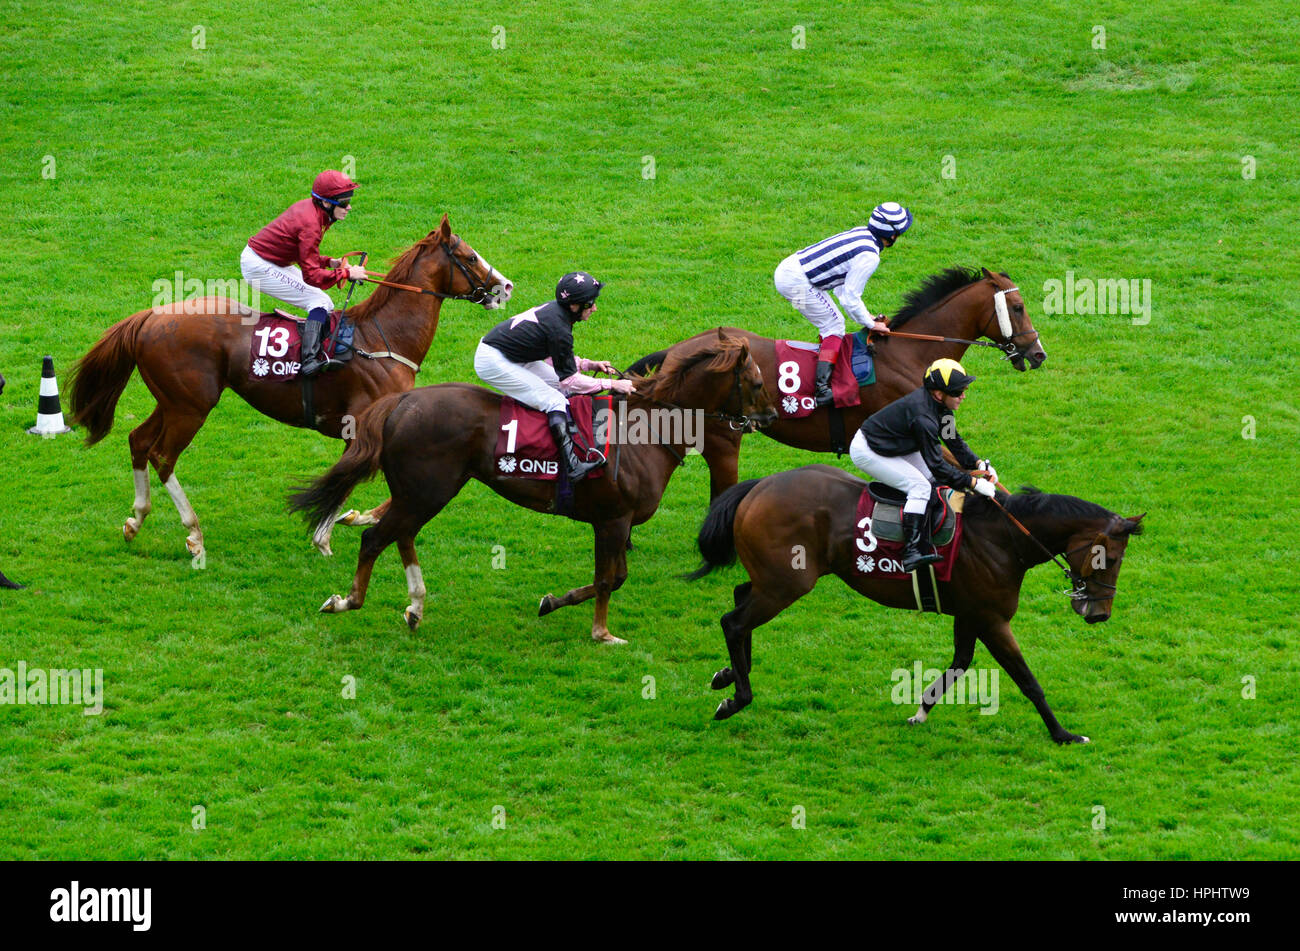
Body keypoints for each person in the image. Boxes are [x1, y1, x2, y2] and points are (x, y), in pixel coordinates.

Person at [474, 272, 635, 480]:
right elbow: (569, 379)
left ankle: (565, 437)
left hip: (511, 353)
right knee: (555, 400)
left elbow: (557, 357)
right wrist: (613, 384)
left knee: (562, 390)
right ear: (574, 306)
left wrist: (589, 364)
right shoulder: (559, 327)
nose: (594, 308)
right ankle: (572, 465)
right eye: (590, 304)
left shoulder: (558, 313)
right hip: (494, 361)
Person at [849, 358, 999, 572]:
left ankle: (927, 536)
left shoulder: (941, 407)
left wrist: (978, 463)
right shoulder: (924, 419)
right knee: (919, 487)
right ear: (939, 394)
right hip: (869, 450)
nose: (963, 396)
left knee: (931, 480)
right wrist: (973, 483)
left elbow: (952, 440)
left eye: (964, 390)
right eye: (958, 392)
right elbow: (937, 464)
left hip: (895, 444)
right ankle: (910, 552)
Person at [774, 202, 912, 406]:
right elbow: (849, 297)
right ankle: (822, 389)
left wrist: (868, 318)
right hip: (795, 283)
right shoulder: (869, 256)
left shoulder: (862, 233)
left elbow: (841, 286)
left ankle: (826, 364)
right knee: (834, 325)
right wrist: (872, 324)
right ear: (892, 236)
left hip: (790, 272)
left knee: (830, 322)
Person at [241, 170, 368, 378]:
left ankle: (314, 352)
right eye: (344, 203)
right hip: (259, 267)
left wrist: (330, 262)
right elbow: (312, 277)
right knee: (319, 302)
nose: (349, 207)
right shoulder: (311, 224)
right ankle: (309, 361)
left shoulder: (314, 210)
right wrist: (346, 273)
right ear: (327, 203)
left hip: (269, 259)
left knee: (324, 302)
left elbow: (303, 253)